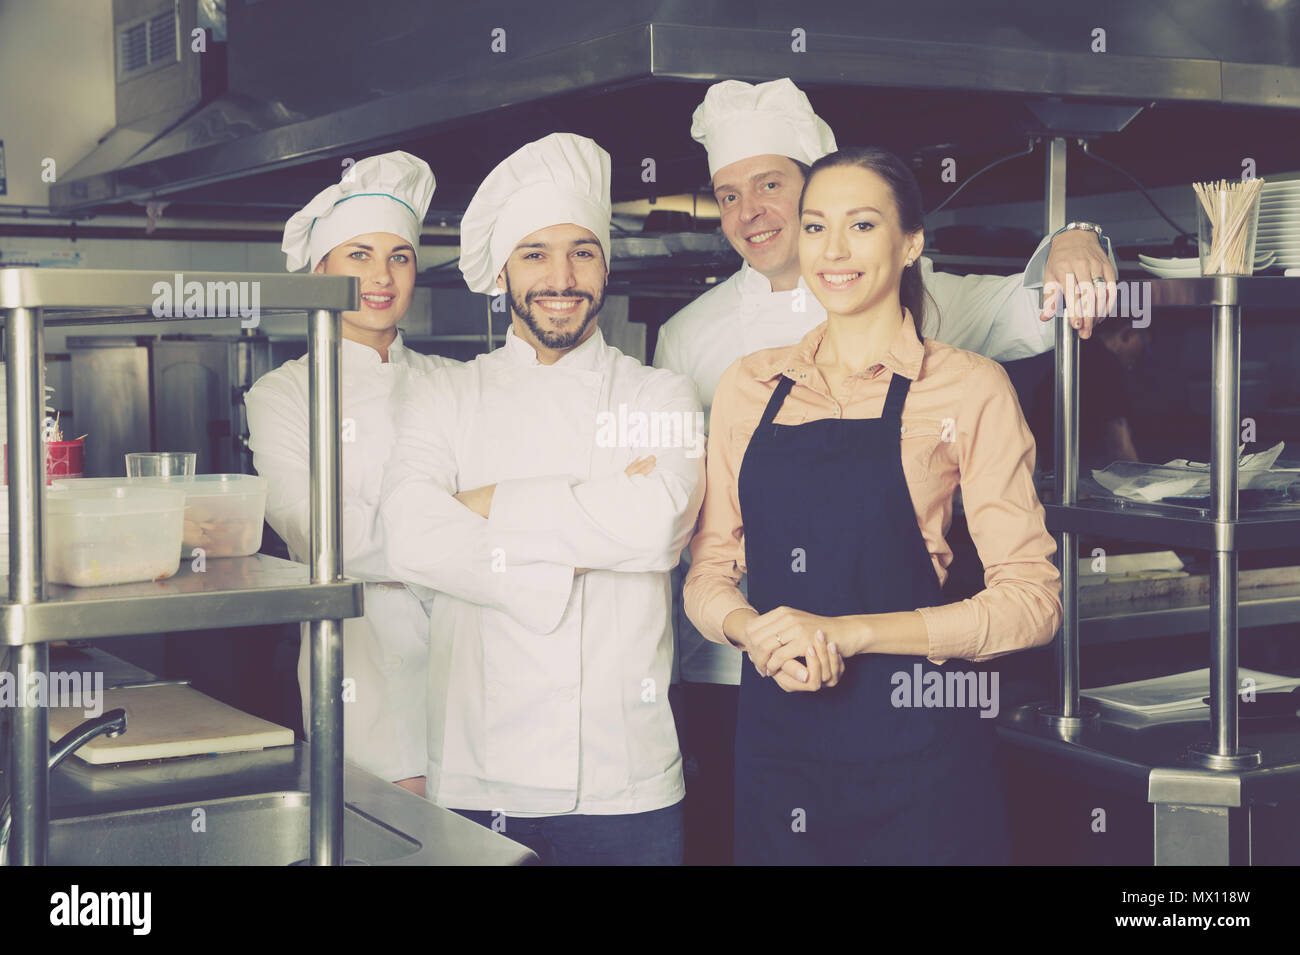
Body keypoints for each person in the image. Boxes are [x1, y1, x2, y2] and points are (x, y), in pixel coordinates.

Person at [654, 78, 1113, 865]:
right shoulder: (744, 381)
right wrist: (750, 629)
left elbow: (1033, 603)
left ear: (909, 244)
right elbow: (711, 568)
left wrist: (1079, 230)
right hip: (776, 741)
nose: (832, 251)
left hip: (918, 740)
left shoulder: (967, 382)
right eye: (817, 228)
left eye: (860, 226)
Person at [379, 133, 705, 865]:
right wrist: (594, 516)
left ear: (606, 264)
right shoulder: (446, 394)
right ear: (502, 272)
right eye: (535, 254)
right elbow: (409, 536)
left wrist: (483, 500)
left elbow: (656, 527)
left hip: (626, 784)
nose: (562, 277)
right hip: (478, 774)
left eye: (582, 250)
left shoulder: (658, 390)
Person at [245, 151, 453, 795]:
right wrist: (462, 523)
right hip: (364, 660)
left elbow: (516, 523)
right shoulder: (283, 395)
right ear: (321, 269)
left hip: (474, 655)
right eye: (359, 255)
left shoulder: (455, 382)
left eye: (399, 256)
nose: (382, 275)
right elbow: (322, 537)